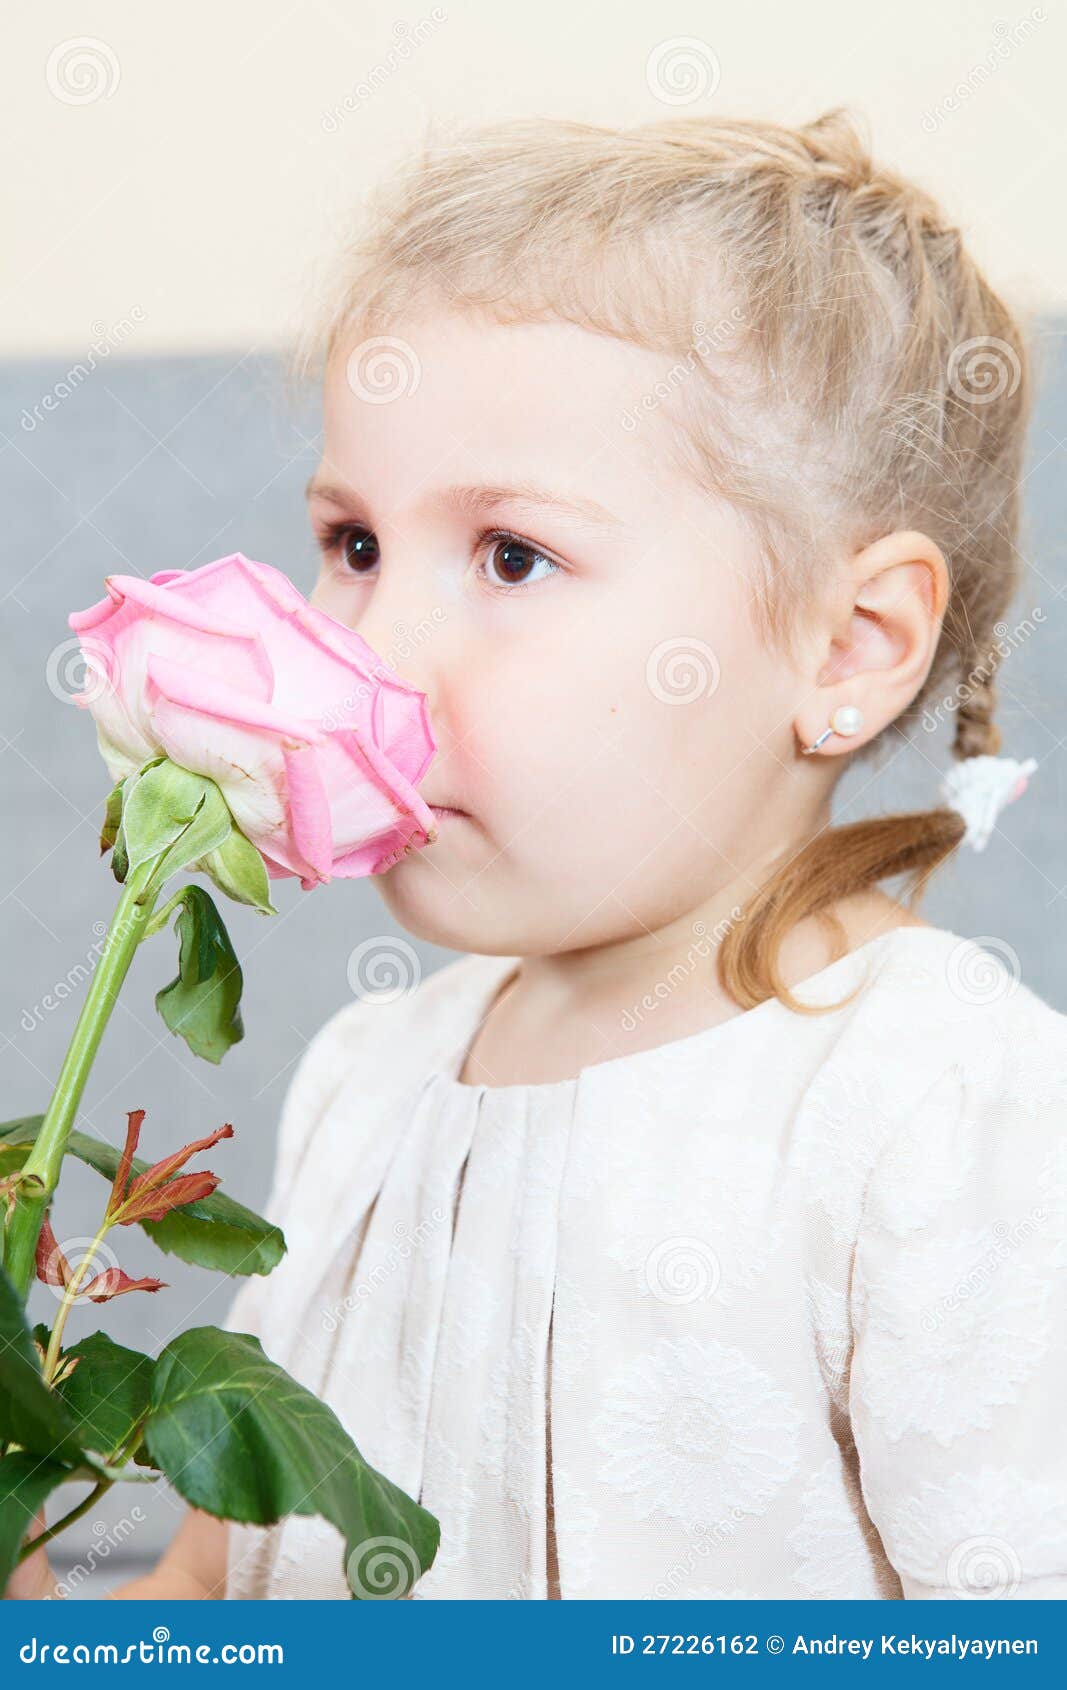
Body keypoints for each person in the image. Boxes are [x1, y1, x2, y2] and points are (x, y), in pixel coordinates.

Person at [10, 106, 1066, 1602]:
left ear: (851, 642)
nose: (374, 646)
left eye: (513, 555)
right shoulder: (366, 1080)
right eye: (355, 542)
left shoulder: (939, 1107)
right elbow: (208, 1596)